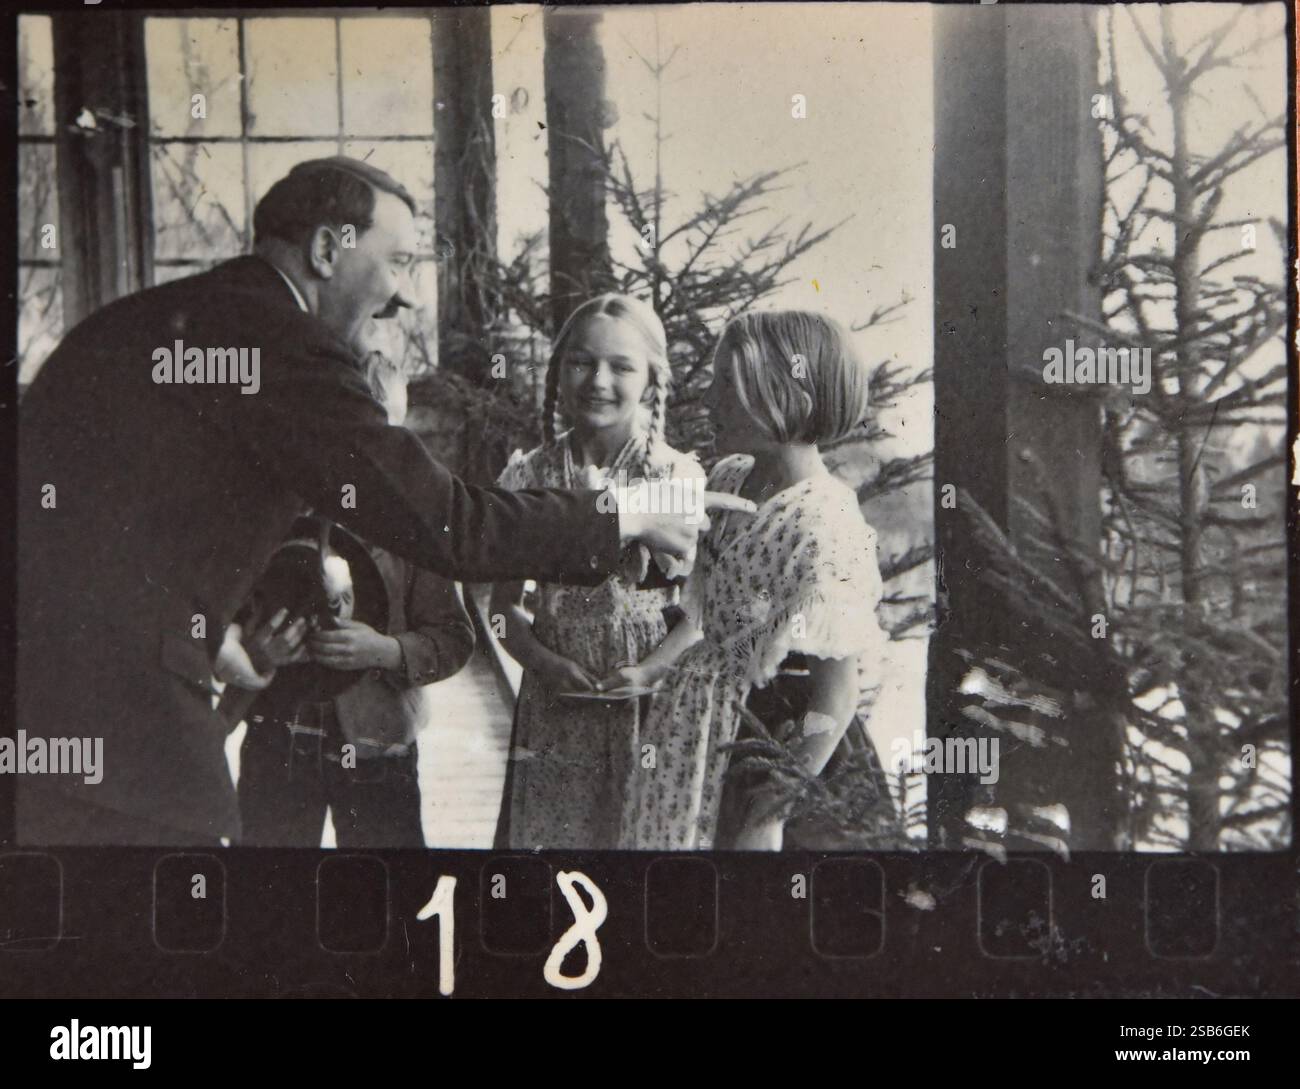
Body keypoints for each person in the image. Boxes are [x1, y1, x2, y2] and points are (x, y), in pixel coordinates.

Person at [16, 156, 754, 846]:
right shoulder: (283, 343)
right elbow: (449, 523)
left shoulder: (163, 315)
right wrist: (631, 513)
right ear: (328, 250)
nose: (403, 294)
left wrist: (211, 634)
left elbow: (128, 512)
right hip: (107, 714)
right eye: (397, 261)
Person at [615, 310, 889, 850]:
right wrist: (651, 670)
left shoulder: (825, 523)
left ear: (786, 397)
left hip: (772, 744)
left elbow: (836, 694)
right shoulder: (731, 478)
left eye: (727, 385)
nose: (709, 399)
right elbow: (703, 615)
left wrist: (771, 814)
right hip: (695, 728)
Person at [221, 353, 475, 848]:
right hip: (280, 733)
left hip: (378, 742)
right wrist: (255, 652)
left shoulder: (414, 525)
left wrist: (386, 650)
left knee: (386, 888)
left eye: (384, 437)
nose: (364, 453)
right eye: (344, 433)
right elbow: (217, 619)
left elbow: (454, 636)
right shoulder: (268, 516)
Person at [489, 294, 705, 850]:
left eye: (621, 366)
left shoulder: (676, 477)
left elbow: (702, 613)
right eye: (582, 362)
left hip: (649, 706)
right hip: (556, 706)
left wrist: (653, 670)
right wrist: (540, 661)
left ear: (651, 380)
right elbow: (499, 610)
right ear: (558, 373)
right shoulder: (528, 477)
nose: (598, 380)